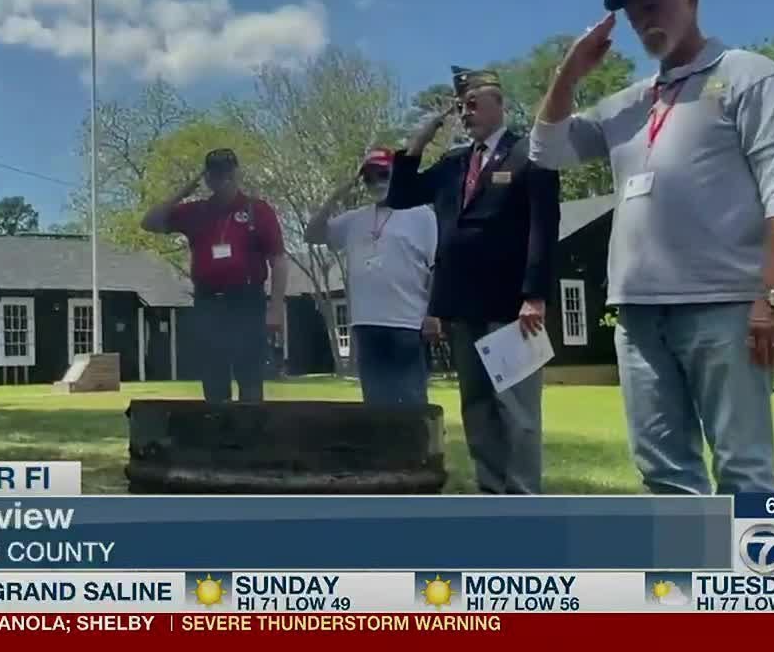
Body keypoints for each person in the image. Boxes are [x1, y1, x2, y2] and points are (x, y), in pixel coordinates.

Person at [529, 0, 774, 494]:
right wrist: (569, 72)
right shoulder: (627, 104)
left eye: (653, 3)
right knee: (663, 473)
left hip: (725, 306)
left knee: (743, 471)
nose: (643, 19)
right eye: (633, 11)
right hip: (638, 316)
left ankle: (751, 581)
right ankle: (684, 581)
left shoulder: (747, 73)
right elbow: (544, 150)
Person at [389, 67, 560, 495]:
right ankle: (491, 492)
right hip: (463, 306)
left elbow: (544, 227)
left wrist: (535, 295)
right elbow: (400, 196)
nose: (465, 113)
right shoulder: (453, 164)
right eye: (461, 106)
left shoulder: (529, 154)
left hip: (512, 306)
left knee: (517, 412)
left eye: (473, 104)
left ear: (499, 104)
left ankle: (523, 498)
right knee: (478, 407)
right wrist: (419, 141)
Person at [141, 148, 288, 403]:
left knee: (250, 376)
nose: (223, 179)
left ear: (236, 173)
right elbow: (149, 222)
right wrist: (185, 190)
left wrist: (275, 308)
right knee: (213, 376)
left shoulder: (258, 210)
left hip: (247, 300)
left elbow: (278, 260)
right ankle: (217, 438)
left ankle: (251, 437)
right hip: (208, 302)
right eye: (216, 174)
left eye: (228, 172)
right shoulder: (195, 212)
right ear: (207, 178)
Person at [305, 147, 439, 405]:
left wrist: (432, 314)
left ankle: (415, 446)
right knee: (375, 405)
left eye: (383, 174)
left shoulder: (422, 215)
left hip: (408, 325)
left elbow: (436, 267)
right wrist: (335, 196)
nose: (376, 182)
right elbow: (312, 235)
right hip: (367, 325)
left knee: (412, 403)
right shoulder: (354, 219)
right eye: (369, 177)